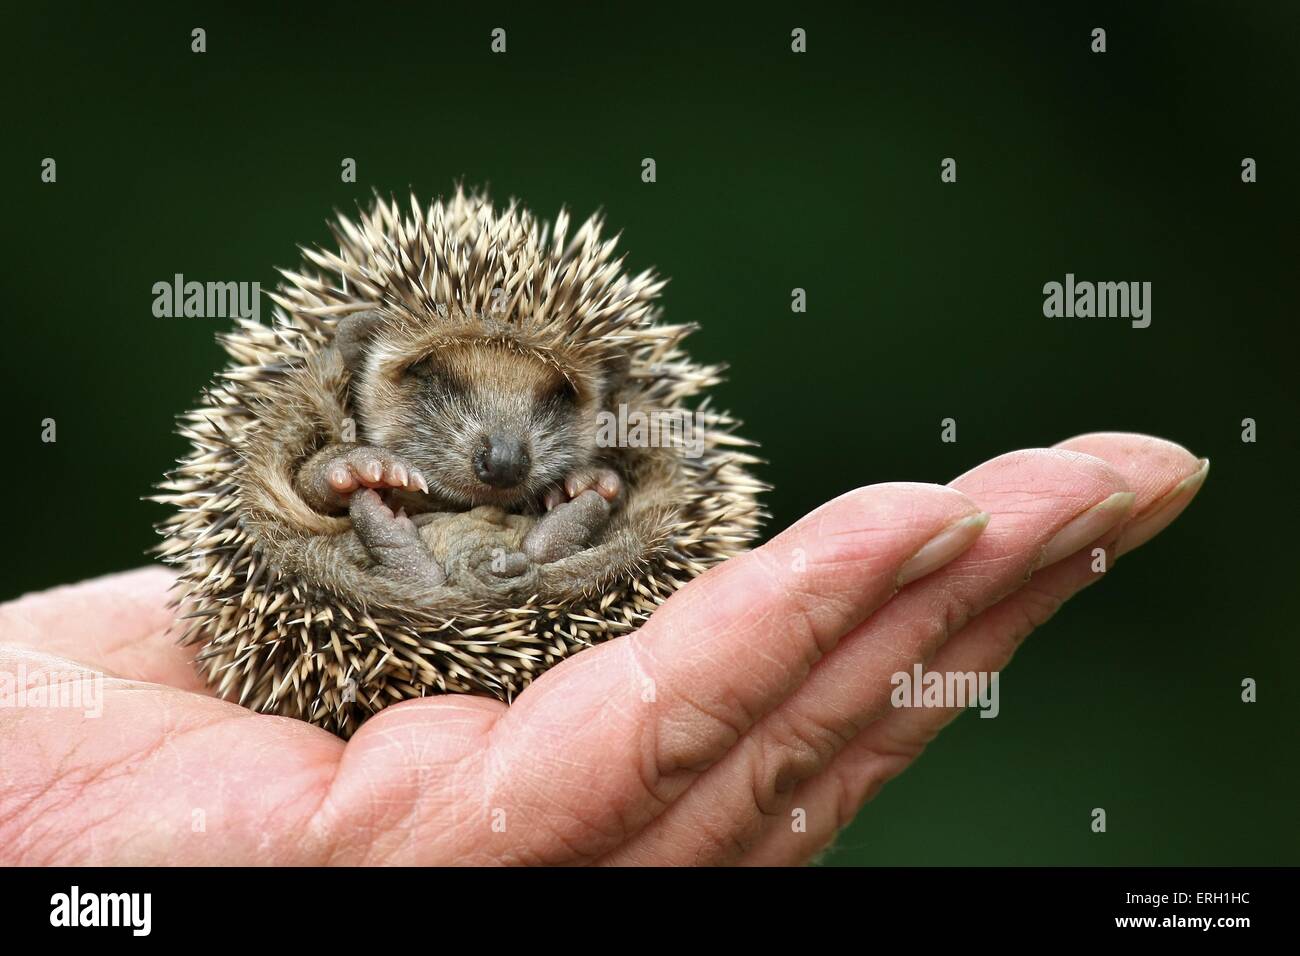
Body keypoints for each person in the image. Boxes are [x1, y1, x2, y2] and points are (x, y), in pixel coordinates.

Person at [0, 432, 1207, 865]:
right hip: (389, 564)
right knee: (359, 516)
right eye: (440, 404)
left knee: (541, 534)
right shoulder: (315, 440)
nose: (498, 452)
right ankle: (417, 540)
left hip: (496, 565)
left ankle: (486, 548)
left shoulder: (607, 456)